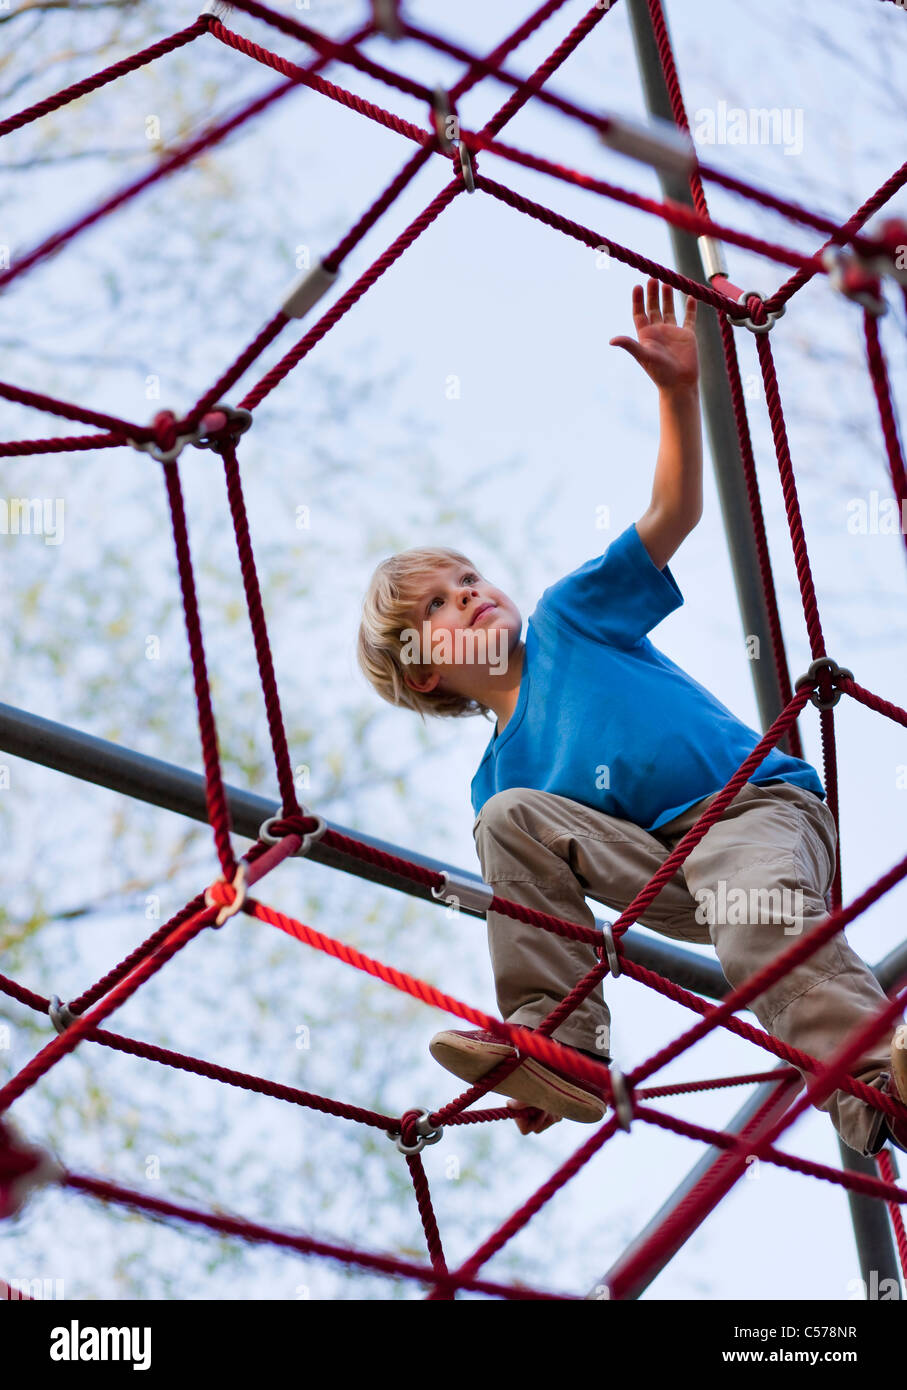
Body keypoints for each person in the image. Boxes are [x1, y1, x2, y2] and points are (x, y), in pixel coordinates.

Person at [356, 277, 907, 1157]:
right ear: (424, 676)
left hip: (749, 813)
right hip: (661, 872)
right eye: (437, 607)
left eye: (467, 581)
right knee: (504, 822)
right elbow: (539, 902)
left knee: (753, 915)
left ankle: (875, 1080)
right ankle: (559, 1042)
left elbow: (672, 513)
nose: (468, 597)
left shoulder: (570, 617)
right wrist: (525, 1078)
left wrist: (678, 393)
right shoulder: (500, 778)